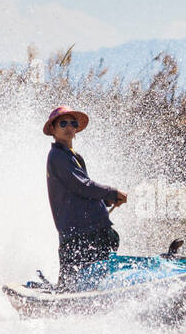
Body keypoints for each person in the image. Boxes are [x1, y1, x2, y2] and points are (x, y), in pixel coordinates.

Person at [43, 105, 127, 288]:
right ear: (53, 130)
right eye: (63, 123)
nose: (69, 127)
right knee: (75, 284)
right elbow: (82, 185)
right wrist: (111, 193)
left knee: (96, 276)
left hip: (91, 230)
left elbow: (80, 191)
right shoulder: (57, 155)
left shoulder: (72, 156)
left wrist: (106, 200)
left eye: (73, 123)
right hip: (78, 234)